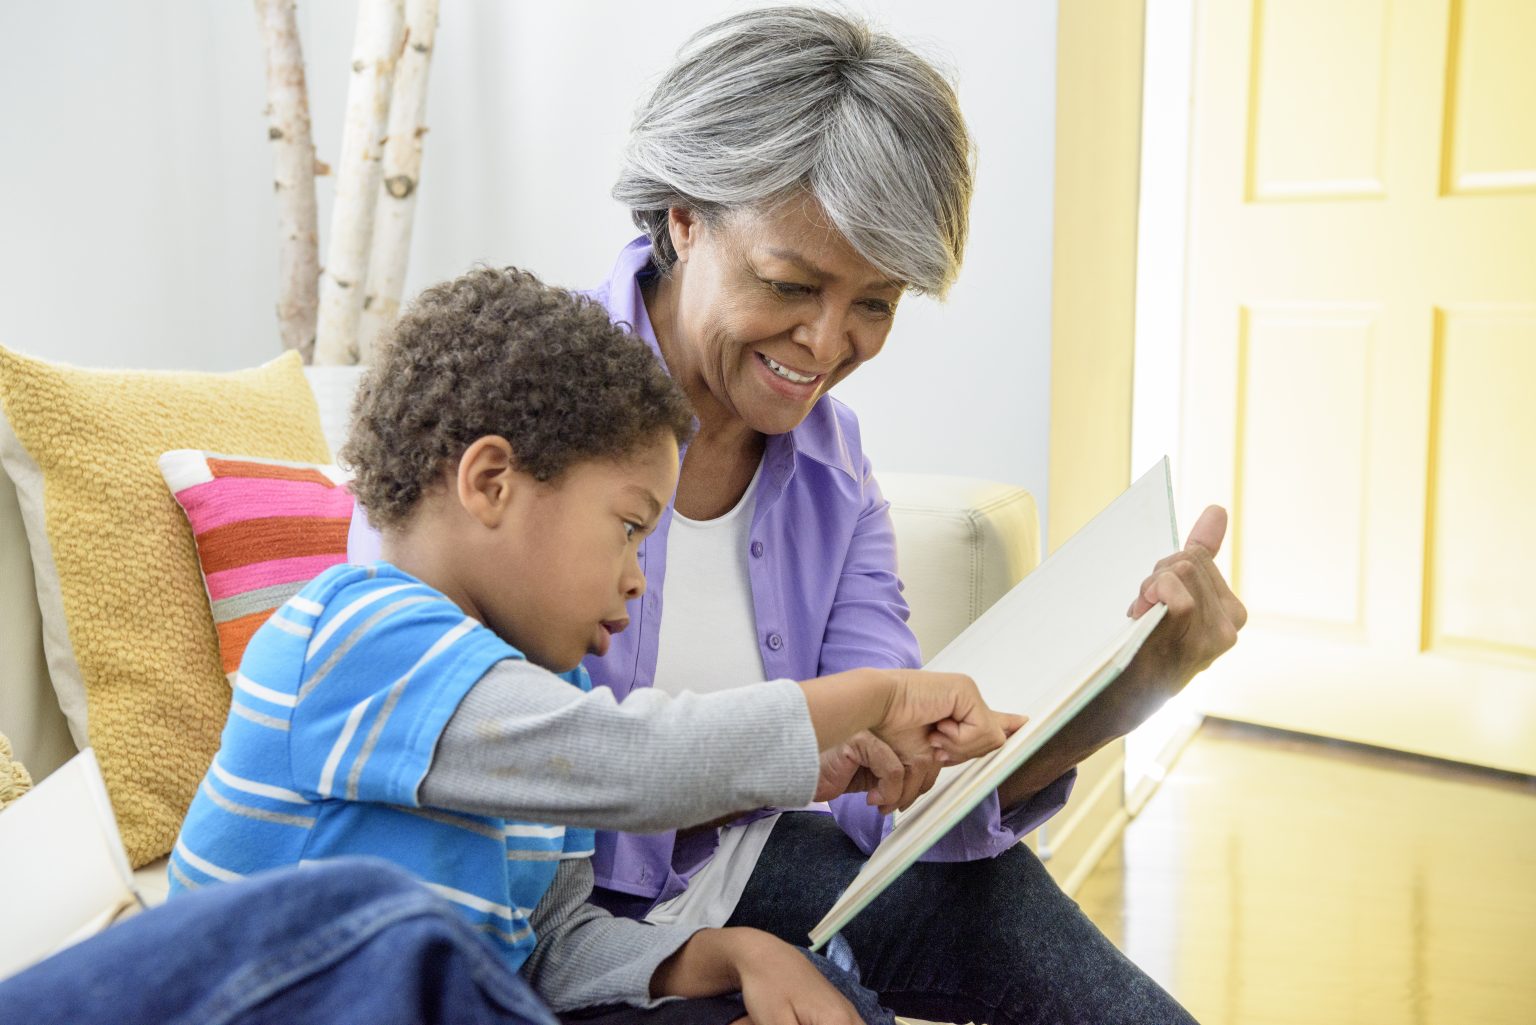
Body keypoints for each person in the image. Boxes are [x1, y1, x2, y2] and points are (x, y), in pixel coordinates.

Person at [349, 9, 1248, 1024]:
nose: (827, 343)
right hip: (546, 914)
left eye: (877, 301)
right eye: (791, 283)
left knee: (1011, 919)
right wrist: (862, 709)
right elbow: (498, 739)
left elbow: (889, 797)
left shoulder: (833, 462)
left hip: (726, 872)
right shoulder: (515, 399)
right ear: (684, 216)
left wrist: (1125, 691)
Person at [0, 267, 1023, 1025]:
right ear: (490, 482)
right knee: (401, 926)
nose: (640, 573)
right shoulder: (357, 635)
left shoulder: (538, 695)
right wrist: (874, 695)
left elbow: (552, 946)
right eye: (630, 526)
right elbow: (635, 760)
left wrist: (712, 950)